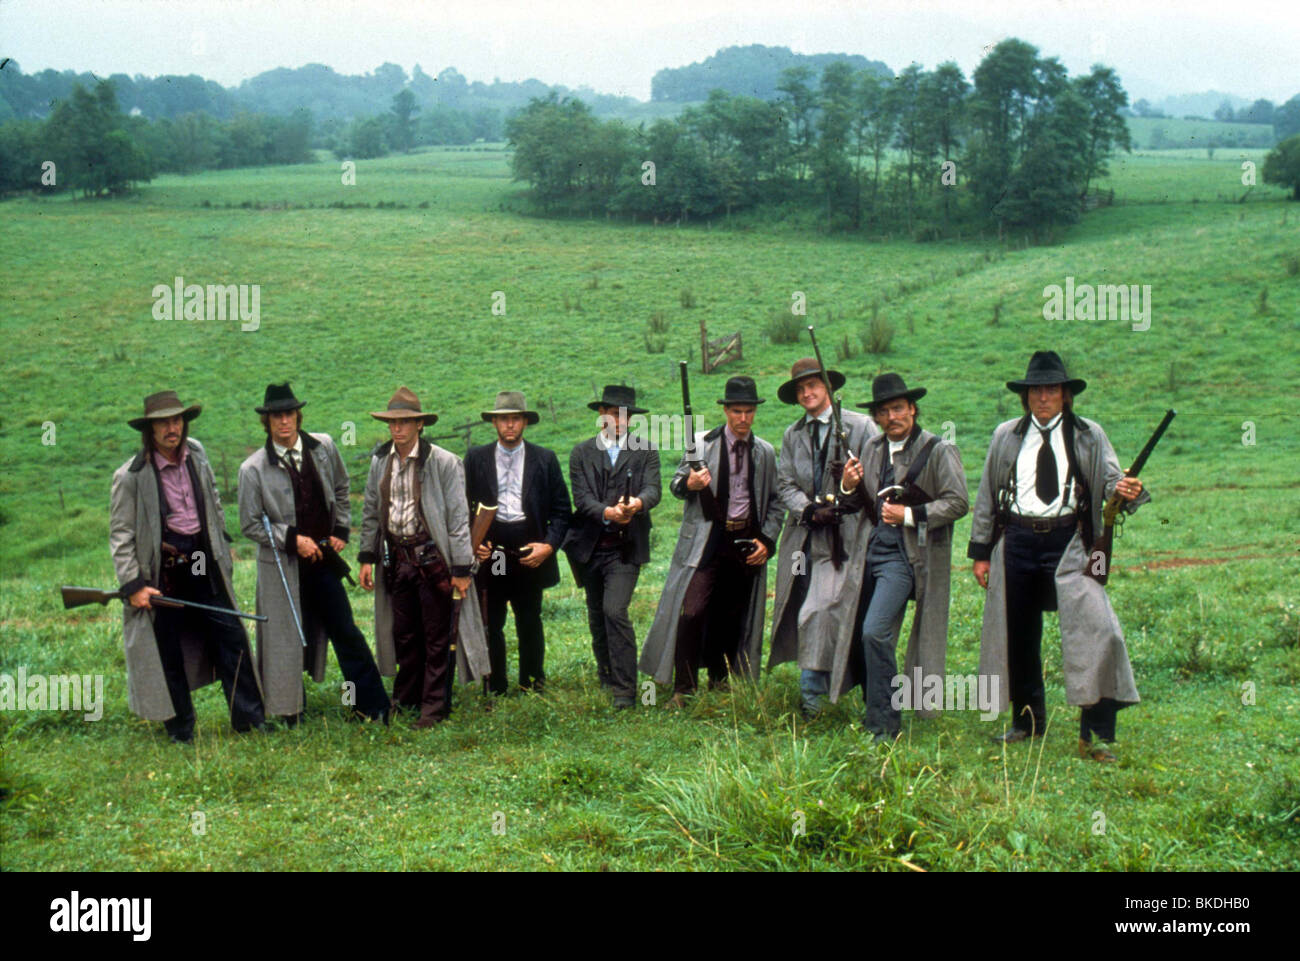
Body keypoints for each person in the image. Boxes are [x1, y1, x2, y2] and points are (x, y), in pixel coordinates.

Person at [967, 351, 1146, 761]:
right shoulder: (1005, 436)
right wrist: (981, 553)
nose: (1043, 397)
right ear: (1026, 396)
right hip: (1016, 540)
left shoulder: (1089, 435)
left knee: (1100, 631)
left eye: (1051, 389)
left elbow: (1112, 481)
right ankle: (1026, 722)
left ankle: (1096, 734)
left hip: (1070, 544)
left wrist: (1127, 491)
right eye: (1036, 390)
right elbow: (986, 496)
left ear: (1065, 395)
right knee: (1019, 635)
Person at [110, 390, 265, 743]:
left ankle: (249, 721)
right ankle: (180, 730)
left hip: (198, 560)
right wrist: (133, 585)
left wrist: (220, 547)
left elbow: (211, 501)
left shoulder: (197, 453)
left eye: (177, 420)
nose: (172, 428)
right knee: (167, 649)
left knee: (230, 634)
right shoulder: (131, 476)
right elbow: (120, 535)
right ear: (149, 429)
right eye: (163, 422)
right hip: (162, 570)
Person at [237, 383, 390, 724]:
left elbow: (340, 485)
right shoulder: (252, 469)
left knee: (345, 631)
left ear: (297, 415)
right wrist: (291, 539)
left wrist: (339, 531)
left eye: (289, 414)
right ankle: (289, 711)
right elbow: (249, 524)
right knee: (284, 638)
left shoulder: (323, 447)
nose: (284, 422)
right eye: (276, 416)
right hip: (283, 567)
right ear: (267, 421)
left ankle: (371, 706)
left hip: (322, 562)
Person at [640, 376, 785, 705]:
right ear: (725, 410)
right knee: (691, 611)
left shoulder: (764, 452)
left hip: (745, 539)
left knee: (731, 615)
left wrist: (767, 540)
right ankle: (683, 687)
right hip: (707, 541)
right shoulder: (701, 444)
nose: (743, 419)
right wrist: (691, 482)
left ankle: (720, 681)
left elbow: (776, 502)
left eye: (749, 411)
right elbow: (676, 486)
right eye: (737, 411)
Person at [840, 373, 969, 741]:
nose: (892, 416)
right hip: (868, 551)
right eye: (884, 411)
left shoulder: (939, 449)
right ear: (877, 417)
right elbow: (858, 502)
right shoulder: (871, 448)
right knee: (853, 630)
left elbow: (958, 501)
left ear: (913, 409)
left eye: (898, 408)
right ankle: (866, 703)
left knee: (875, 633)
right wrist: (848, 483)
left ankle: (884, 725)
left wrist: (910, 516)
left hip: (905, 556)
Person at [357, 387, 490, 727]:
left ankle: (434, 706)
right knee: (404, 634)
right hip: (398, 560)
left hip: (434, 561)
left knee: (436, 636)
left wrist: (461, 568)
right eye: (392, 423)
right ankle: (406, 698)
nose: (397, 429)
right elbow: (372, 511)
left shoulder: (444, 463)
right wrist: (366, 557)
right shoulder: (380, 461)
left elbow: (459, 519)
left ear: (419, 425)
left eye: (404, 422)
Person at [768, 358, 879, 719]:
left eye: (813, 385)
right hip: (805, 540)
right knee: (807, 608)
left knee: (828, 611)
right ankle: (821, 691)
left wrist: (846, 495)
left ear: (828, 388)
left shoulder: (860, 428)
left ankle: (821, 695)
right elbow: (784, 483)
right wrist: (809, 510)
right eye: (801, 389)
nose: (807, 393)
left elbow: (873, 479)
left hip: (849, 539)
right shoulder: (792, 434)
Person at [464, 390, 571, 695]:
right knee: (492, 619)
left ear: (525, 422)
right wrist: (475, 540)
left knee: (529, 617)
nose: (509, 425)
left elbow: (563, 510)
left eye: (515, 419)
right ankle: (495, 684)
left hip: (528, 548)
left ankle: (533, 682)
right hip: (494, 549)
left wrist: (548, 546)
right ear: (494, 423)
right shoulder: (476, 458)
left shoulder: (544, 459)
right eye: (503, 420)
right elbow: (461, 505)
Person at [562, 385, 662, 709]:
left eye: (625, 415)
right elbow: (582, 499)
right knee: (596, 615)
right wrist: (607, 512)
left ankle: (625, 690)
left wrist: (635, 504)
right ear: (601, 415)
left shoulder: (646, 451)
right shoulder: (580, 453)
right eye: (612, 414)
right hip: (590, 549)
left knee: (613, 610)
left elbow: (654, 490)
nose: (619, 421)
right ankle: (605, 675)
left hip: (625, 549)